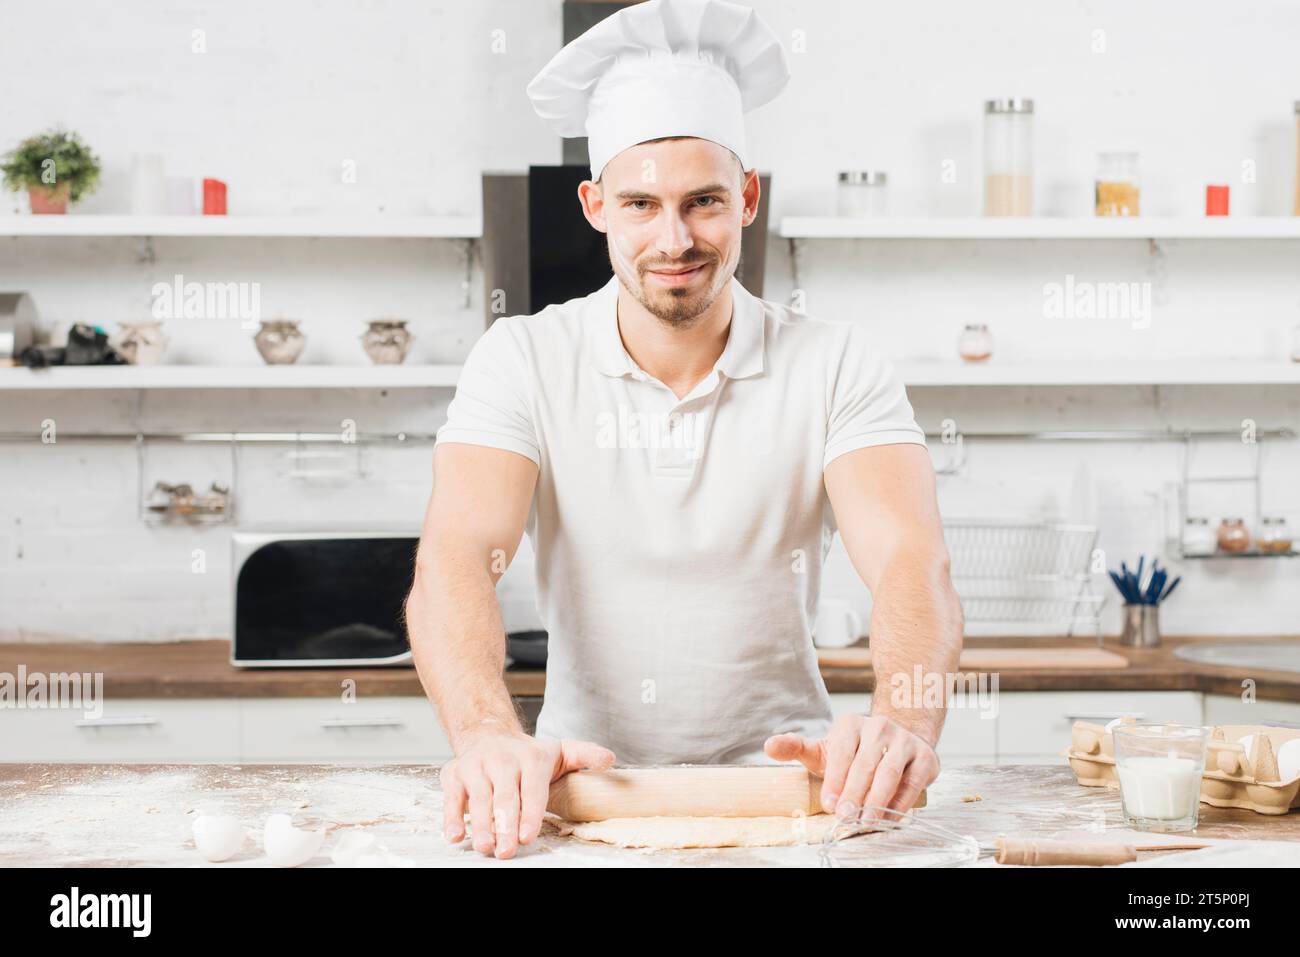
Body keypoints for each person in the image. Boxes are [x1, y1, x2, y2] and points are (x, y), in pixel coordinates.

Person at [405, 0, 962, 860]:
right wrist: (486, 733)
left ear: (746, 197)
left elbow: (907, 558)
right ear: (595, 206)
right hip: (578, 793)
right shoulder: (520, 357)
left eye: (703, 201)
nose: (674, 239)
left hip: (799, 795)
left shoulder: (836, 363)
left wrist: (901, 720)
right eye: (640, 204)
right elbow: (455, 556)